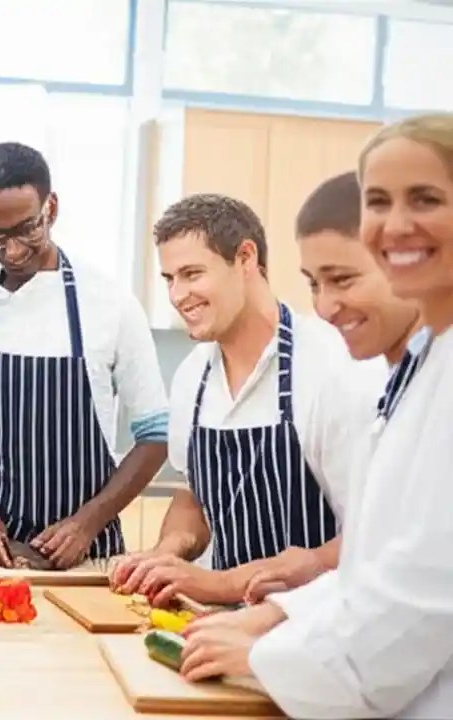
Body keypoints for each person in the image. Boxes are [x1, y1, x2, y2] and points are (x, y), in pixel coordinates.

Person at [178, 113, 453, 720]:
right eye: (378, 201)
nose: (395, 224)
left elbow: (420, 603)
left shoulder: (365, 373)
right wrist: (277, 615)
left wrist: (267, 653)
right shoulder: (421, 367)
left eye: (426, 198)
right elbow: (376, 569)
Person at [109, 193, 385, 608]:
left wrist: (227, 583)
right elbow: (194, 495)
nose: (178, 294)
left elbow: (373, 536)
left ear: (245, 258)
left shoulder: (333, 367)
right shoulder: (192, 378)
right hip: (221, 623)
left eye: (192, 273)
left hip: (319, 628)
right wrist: (168, 552)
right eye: (169, 278)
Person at [0, 142, 169, 569]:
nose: (13, 251)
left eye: (27, 230)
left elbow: (156, 435)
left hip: (87, 557)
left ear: (52, 208)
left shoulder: (109, 302)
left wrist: (86, 523)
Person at [242, 170, 421, 603]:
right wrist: (276, 618)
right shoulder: (399, 387)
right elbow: (376, 563)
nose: (322, 306)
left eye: (343, 280)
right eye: (313, 283)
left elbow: (423, 590)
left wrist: (274, 634)